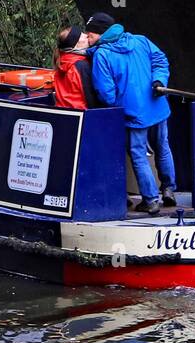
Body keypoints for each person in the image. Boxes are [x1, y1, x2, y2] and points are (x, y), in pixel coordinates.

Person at [85, 12, 176, 215]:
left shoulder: (102, 55)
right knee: (163, 147)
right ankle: (169, 189)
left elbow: (105, 92)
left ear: (100, 34)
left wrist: (119, 106)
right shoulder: (140, 40)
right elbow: (161, 60)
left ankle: (151, 200)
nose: (87, 38)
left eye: (90, 34)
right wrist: (159, 81)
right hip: (157, 106)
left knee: (138, 155)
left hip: (133, 113)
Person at [52, 25, 97, 109]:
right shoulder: (81, 65)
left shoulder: (61, 62)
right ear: (76, 46)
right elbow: (89, 96)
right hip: (81, 113)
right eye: (81, 35)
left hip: (63, 112)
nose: (86, 35)